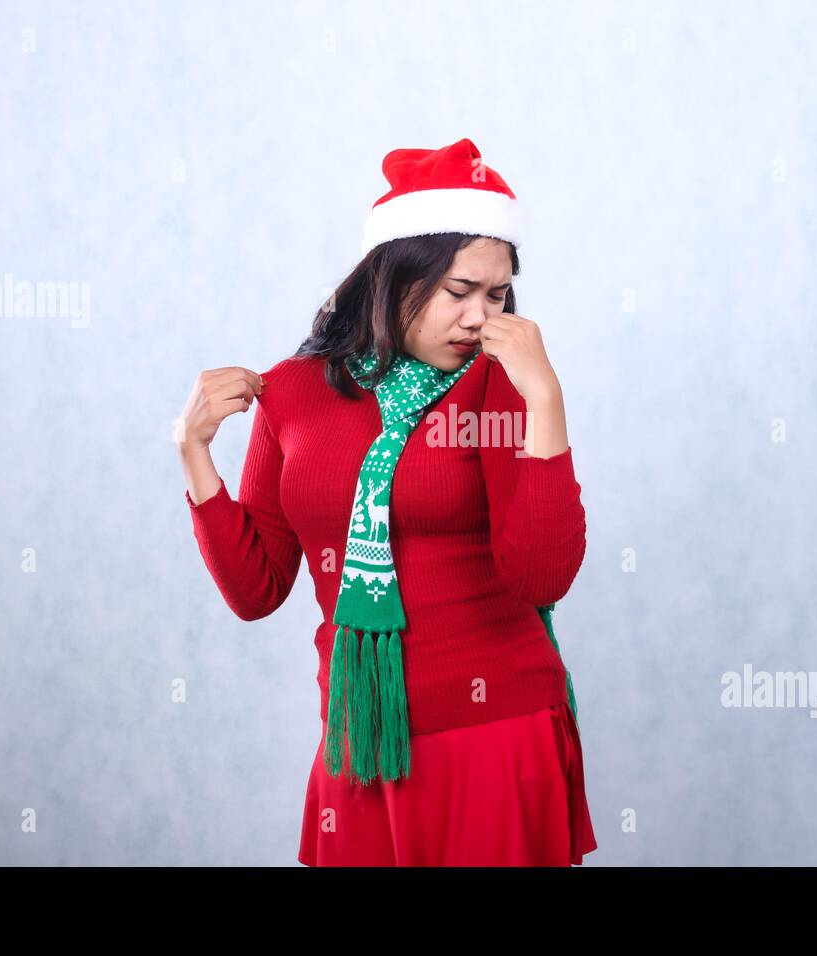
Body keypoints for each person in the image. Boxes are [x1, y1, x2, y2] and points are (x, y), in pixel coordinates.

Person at [177, 137, 596, 866]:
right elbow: (258, 589)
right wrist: (194, 452)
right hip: (364, 737)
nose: (478, 319)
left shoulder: (498, 384)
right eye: (458, 292)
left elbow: (543, 575)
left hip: (495, 731)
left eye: (495, 296)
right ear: (392, 276)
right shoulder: (296, 394)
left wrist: (546, 400)